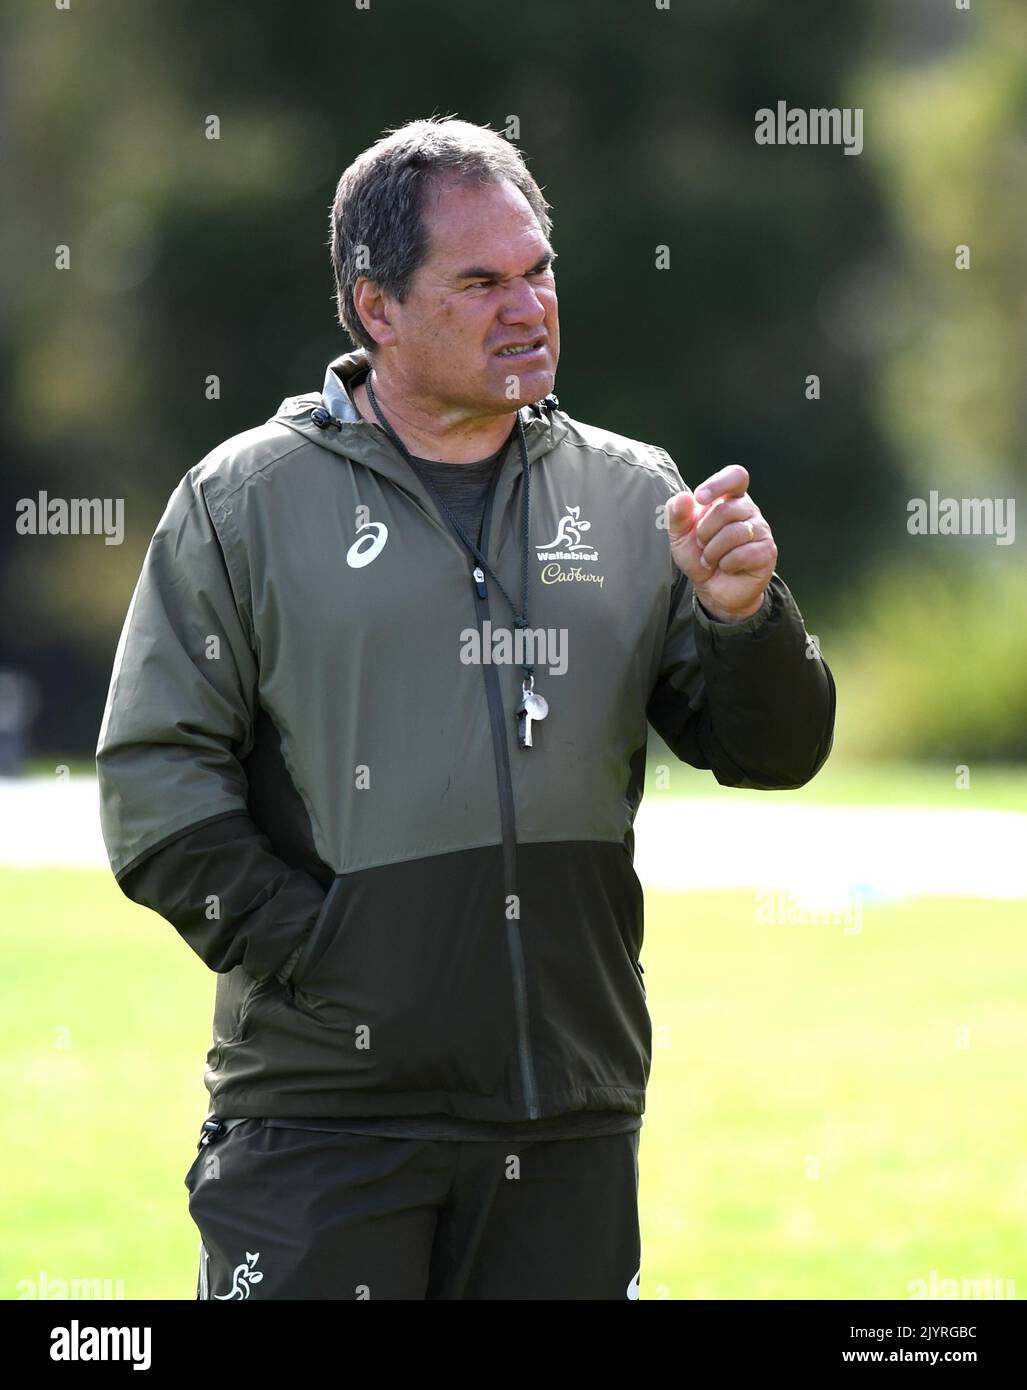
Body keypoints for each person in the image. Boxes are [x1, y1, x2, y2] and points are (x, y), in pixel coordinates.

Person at [95, 116, 836, 1301]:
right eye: (481, 281)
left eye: (538, 270)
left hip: (568, 1116)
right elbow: (153, 784)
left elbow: (774, 752)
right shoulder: (243, 501)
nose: (527, 307)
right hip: (326, 1124)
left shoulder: (636, 492)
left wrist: (748, 615)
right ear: (375, 306)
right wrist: (331, 956)